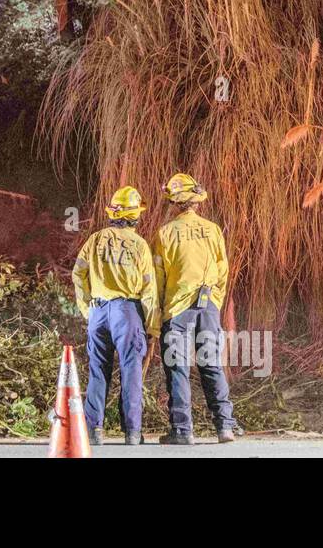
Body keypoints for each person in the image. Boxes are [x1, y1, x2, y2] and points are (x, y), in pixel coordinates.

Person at [152, 173, 239, 445]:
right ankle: (225, 427)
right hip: (208, 306)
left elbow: (158, 278)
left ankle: (182, 430)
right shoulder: (212, 230)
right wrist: (214, 302)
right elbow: (223, 270)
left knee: (177, 367)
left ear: (174, 204)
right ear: (196, 202)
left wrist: (157, 315)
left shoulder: (165, 233)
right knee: (211, 364)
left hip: (177, 309)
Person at [72, 186, 161, 446]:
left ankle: (93, 431)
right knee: (131, 370)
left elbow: (78, 274)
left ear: (113, 212)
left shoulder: (95, 240)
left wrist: (87, 308)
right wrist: (153, 326)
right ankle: (132, 433)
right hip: (127, 312)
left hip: (98, 311)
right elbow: (149, 291)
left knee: (98, 370)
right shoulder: (140, 245)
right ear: (135, 216)